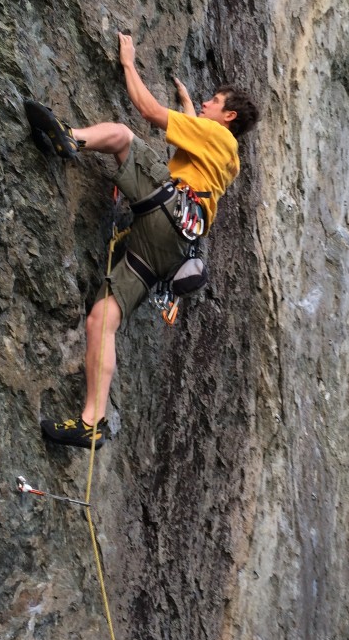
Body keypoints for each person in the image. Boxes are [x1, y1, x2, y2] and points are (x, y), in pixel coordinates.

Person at [23, 33, 260, 449]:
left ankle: (68, 137)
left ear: (228, 117)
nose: (204, 103)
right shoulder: (224, 154)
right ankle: (91, 421)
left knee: (120, 136)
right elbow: (188, 140)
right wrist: (188, 105)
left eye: (213, 102)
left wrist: (128, 62)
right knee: (102, 320)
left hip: (168, 211)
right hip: (169, 247)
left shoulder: (218, 137)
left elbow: (149, 112)